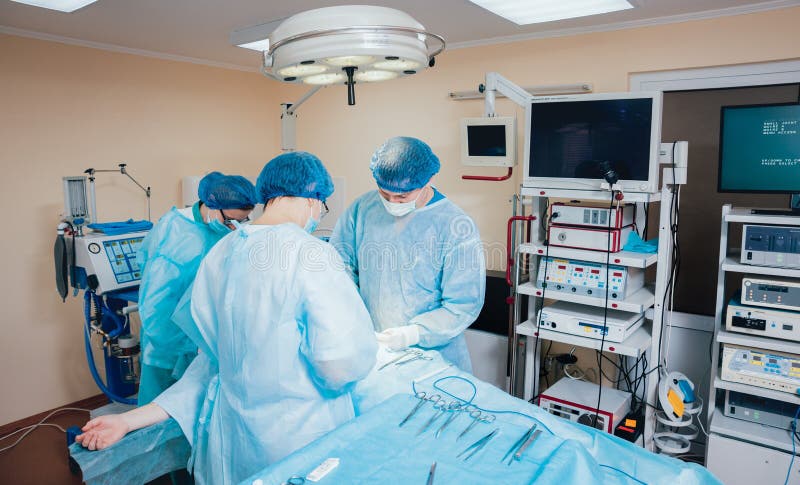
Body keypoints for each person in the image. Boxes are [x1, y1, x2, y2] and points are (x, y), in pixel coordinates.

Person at [76, 152, 378, 485]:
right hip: (297, 437)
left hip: (232, 441)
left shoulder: (222, 252)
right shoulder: (312, 254)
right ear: (314, 200)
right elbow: (342, 364)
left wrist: (130, 420)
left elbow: (212, 363)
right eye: (322, 206)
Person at [330, 136, 486, 372]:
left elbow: (463, 305)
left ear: (428, 180)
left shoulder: (455, 225)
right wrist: (352, 316)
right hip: (375, 350)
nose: (392, 202)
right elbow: (340, 265)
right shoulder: (363, 208)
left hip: (434, 357)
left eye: (402, 196)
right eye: (385, 194)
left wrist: (412, 334)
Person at [136, 171, 257, 405]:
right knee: (161, 414)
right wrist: (187, 344)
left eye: (243, 221)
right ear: (211, 206)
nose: (236, 227)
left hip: (202, 342)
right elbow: (155, 308)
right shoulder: (174, 233)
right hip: (167, 347)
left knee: (195, 413)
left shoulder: (224, 231)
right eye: (231, 220)